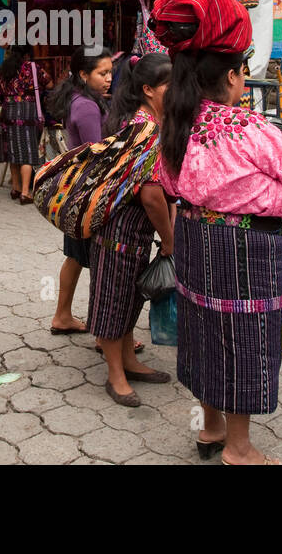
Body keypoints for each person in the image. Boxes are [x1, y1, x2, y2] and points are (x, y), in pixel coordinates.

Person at [153, 0, 282, 463]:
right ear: (229, 77)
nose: (245, 83)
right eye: (243, 74)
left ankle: (210, 429)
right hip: (245, 247)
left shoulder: (177, 123)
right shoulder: (244, 124)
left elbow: (167, 178)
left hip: (194, 235)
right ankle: (240, 448)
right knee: (244, 338)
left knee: (204, 329)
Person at [90, 53, 177, 407]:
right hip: (119, 234)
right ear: (148, 90)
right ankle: (115, 375)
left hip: (134, 235)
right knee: (113, 305)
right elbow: (152, 196)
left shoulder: (152, 122)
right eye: (170, 86)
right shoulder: (145, 130)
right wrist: (169, 241)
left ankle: (128, 361)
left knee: (129, 301)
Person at [44, 46, 113, 335]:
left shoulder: (80, 98)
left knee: (75, 257)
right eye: (102, 73)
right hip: (89, 194)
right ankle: (106, 332)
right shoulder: (86, 106)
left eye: (111, 72)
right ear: (83, 74)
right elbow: (99, 155)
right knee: (101, 261)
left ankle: (62, 316)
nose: (109, 78)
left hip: (78, 192)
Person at [0, 45, 46, 204]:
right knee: (28, 152)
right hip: (27, 112)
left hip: (8, 112)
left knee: (13, 151)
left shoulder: (4, 69)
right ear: (27, 55)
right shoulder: (32, 68)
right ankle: (25, 193)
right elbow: (48, 83)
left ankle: (15, 188)